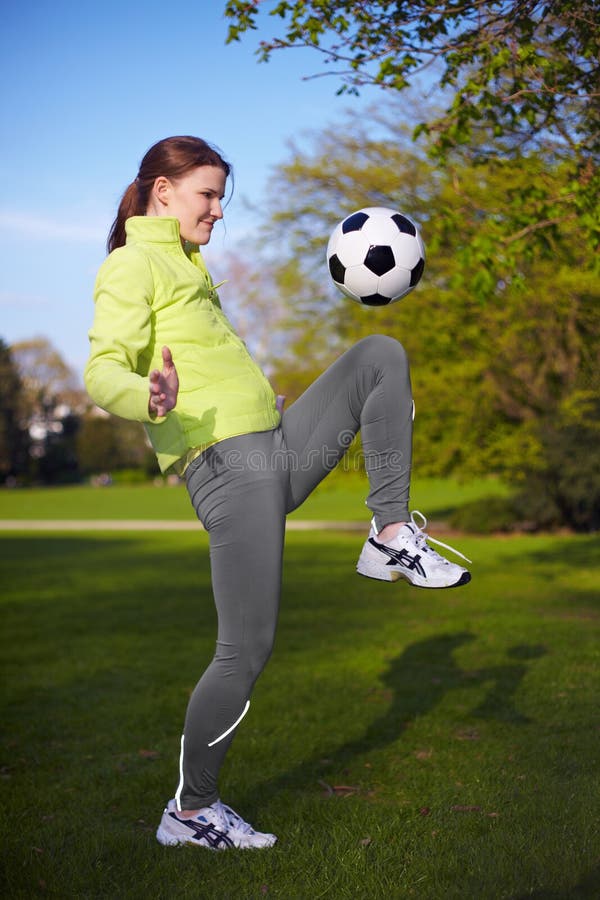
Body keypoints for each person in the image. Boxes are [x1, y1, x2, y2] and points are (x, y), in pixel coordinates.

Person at [84, 135, 471, 851]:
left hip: (271, 446)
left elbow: (214, 372)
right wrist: (152, 395)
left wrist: (265, 402)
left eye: (222, 196)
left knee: (379, 355)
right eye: (207, 193)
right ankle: (191, 810)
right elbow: (102, 370)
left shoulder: (188, 266)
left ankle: (389, 535)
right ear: (162, 191)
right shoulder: (133, 264)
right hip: (230, 469)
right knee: (244, 651)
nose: (219, 209)